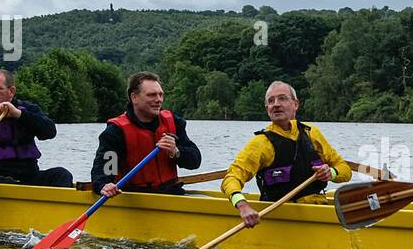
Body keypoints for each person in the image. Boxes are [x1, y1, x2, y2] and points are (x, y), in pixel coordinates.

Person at [221, 81, 352, 228]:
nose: (276, 104)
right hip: (281, 216)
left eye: (282, 98)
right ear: (267, 109)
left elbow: (345, 169)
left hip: (317, 209)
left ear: (295, 104)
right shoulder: (260, 143)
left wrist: (331, 173)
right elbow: (230, 178)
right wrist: (243, 206)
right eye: (271, 101)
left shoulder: (311, 133)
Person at [90, 72, 201, 196]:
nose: (158, 100)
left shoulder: (173, 122)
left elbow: (195, 161)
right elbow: (105, 170)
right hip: (134, 198)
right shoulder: (116, 131)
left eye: (160, 95)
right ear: (134, 98)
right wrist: (105, 185)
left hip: (172, 194)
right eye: (152, 95)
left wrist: (176, 152)